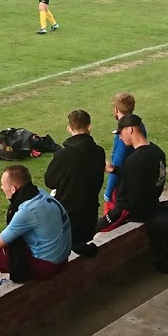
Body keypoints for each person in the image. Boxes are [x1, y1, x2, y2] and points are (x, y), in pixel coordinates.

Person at [0, 165, 72, 282]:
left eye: (2, 184)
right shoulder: (40, 193)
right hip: (63, 258)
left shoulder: (27, 210)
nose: (1, 187)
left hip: (48, 266)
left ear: (13, 189)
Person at [44, 109, 106, 258]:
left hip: (68, 215)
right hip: (90, 212)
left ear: (69, 128)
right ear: (89, 126)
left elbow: (50, 181)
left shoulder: (64, 155)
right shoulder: (99, 152)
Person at [101, 115, 167, 227]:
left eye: (120, 133)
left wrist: (101, 223)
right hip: (153, 208)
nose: (120, 138)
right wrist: (115, 170)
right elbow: (143, 179)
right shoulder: (157, 152)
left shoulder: (134, 161)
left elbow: (122, 205)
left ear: (130, 130)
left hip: (137, 219)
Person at [103, 92, 141, 213]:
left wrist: (108, 193)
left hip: (121, 184)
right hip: (134, 178)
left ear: (116, 109)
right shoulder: (139, 125)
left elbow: (117, 163)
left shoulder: (123, 135)